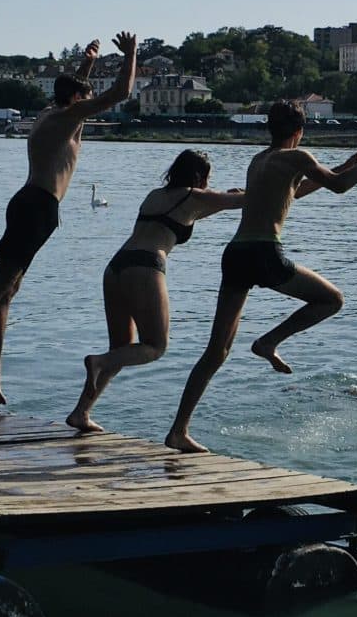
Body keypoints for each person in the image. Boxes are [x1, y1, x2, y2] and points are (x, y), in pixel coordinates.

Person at [166, 100, 357, 452]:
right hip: (263, 252)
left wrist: (345, 165)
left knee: (216, 351)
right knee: (332, 300)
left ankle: (178, 430)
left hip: (236, 254)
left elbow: (293, 192)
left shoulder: (259, 160)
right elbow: (339, 187)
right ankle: (269, 342)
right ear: (299, 131)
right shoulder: (298, 157)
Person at [0, 31, 138, 404]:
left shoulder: (53, 112)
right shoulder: (65, 116)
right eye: (87, 97)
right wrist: (131, 53)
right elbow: (121, 93)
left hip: (32, 203)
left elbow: (76, 90)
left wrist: (89, 62)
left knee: (8, 289)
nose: (92, 103)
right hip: (37, 207)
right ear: (76, 100)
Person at [64, 150, 244, 433]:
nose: (209, 183)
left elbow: (207, 205)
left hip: (116, 266)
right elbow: (240, 200)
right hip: (146, 267)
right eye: (207, 178)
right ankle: (97, 362)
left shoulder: (155, 195)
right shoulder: (194, 196)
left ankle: (80, 412)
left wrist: (223, 196)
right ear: (199, 176)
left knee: (123, 347)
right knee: (155, 346)